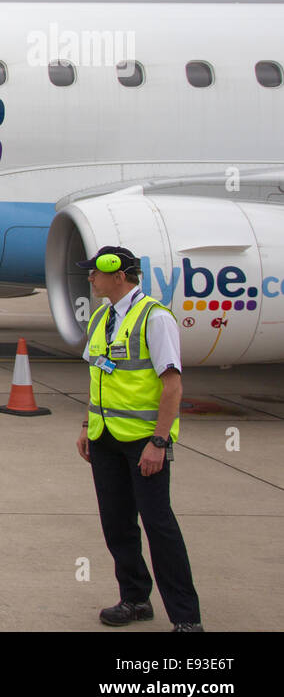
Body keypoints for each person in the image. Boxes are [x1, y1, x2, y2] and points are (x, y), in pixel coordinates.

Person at [74, 245, 202, 632]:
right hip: (104, 437)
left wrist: (159, 443)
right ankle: (134, 599)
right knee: (117, 524)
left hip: (143, 442)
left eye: (95, 272)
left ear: (118, 275)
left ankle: (186, 619)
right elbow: (99, 374)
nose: (90, 278)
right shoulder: (101, 317)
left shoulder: (155, 318)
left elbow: (173, 387)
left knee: (159, 526)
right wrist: (86, 425)